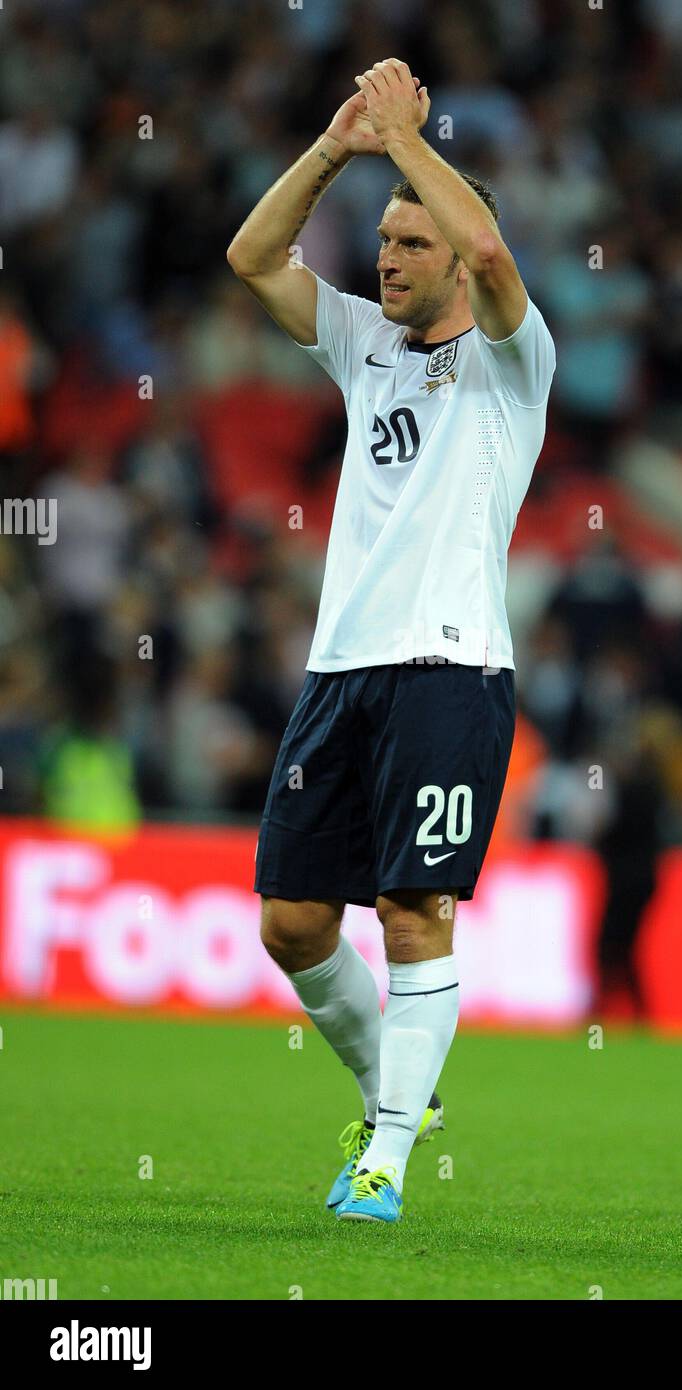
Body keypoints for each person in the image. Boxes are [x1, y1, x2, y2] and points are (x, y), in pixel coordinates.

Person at [227, 58, 555, 1223]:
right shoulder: (360, 342)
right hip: (338, 670)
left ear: (457, 253)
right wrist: (336, 147)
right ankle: (390, 1098)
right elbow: (253, 259)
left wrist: (412, 139)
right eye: (383, 243)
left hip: (450, 668)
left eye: (412, 243)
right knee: (293, 920)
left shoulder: (517, 365)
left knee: (413, 915)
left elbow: (503, 259)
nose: (386, 257)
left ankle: (385, 1164)